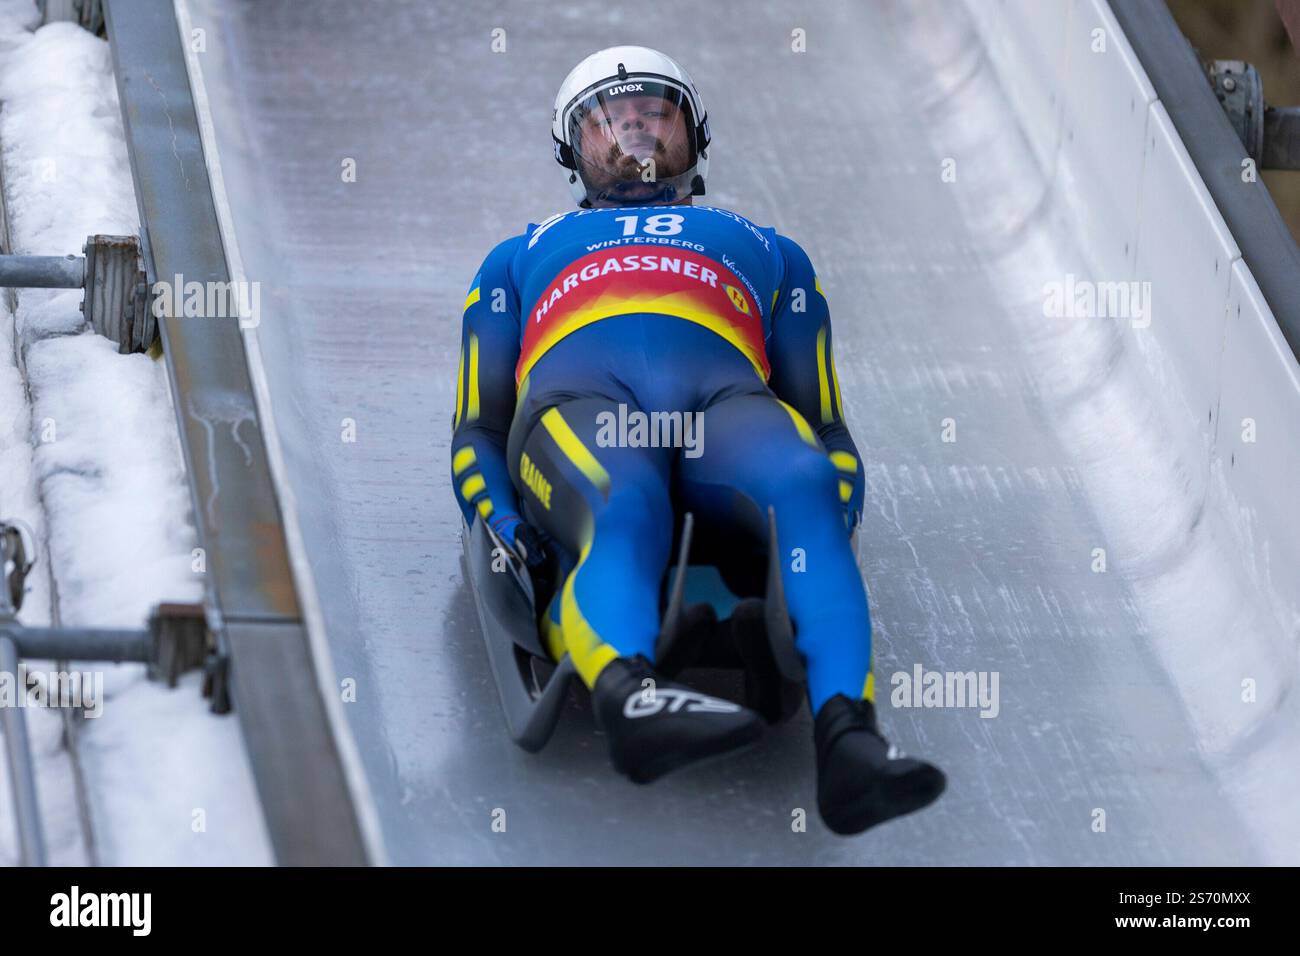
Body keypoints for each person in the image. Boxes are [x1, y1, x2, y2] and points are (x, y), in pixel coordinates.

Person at [451, 46, 945, 834]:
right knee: (623, 502)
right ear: (574, 151)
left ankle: (850, 741)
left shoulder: (773, 250)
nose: (634, 141)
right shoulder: (517, 256)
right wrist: (506, 528)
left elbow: (824, 428)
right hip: (583, 405)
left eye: (655, 119)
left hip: (725, 405)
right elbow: (477, 426)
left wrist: (834, 511)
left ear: (694, 135)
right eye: (610, 127)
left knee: (801, 485)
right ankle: (630, 696)